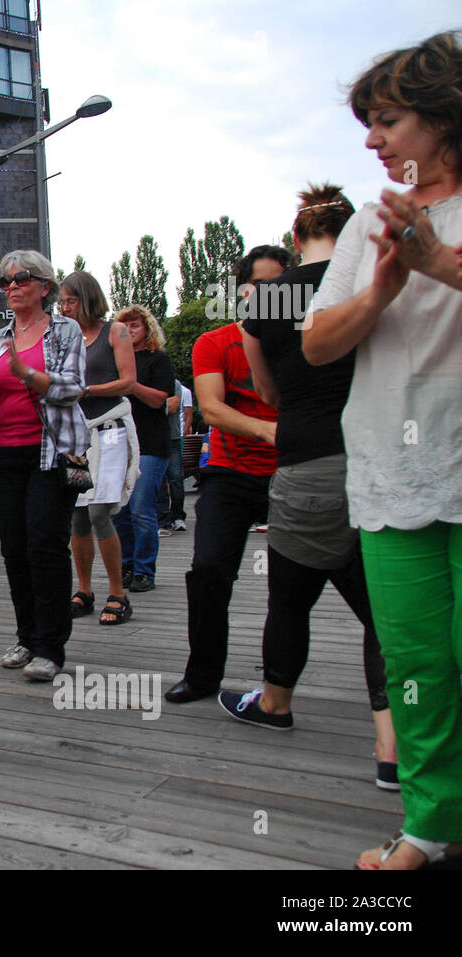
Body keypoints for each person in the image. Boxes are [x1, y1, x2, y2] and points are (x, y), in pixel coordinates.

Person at [303, 32, 462, 870]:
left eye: (388, 120)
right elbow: (321, 344)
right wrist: (385, 289)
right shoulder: (370, 223)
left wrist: (439, 261)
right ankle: (431, 826)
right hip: (395, 471)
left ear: (445, 116)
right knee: (419, 663)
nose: (372, 141)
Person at [227, 183, 397, 779]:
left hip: (303, 464)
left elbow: (269, 393)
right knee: (385, 615)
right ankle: (391, 750)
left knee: (289, 601)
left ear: (295, 240)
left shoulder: (265, 302)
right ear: (351, 235)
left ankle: (275, 703)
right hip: (377, 459)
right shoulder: (372, 284)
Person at [165, 249, 282, 704]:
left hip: (292, 474)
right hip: (231, 472)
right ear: (243, 291)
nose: (274, 294)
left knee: (297, 581)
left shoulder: (309, 341)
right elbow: (211, 408)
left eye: (283, 285)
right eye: (263, 285)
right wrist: (273, 431)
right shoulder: (215, 341)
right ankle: (203, 674)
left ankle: (277, 684)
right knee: (210, 569)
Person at [0, 250, 87, 682]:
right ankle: (26, 635)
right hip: (4, 453)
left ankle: (50, 647)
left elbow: (73, 388)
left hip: (50, 453)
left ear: (45, 287)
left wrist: (28, 374)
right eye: (6, 281)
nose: (12, 286)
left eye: (22, 279)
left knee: (45, 545)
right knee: (13, 548)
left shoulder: (65, 330)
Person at [59, 271, 136, 624]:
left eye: (70, 301)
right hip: (77, 438)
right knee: (77, 513)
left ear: (87, 299)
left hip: (109, 432)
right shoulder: (65, 338)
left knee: (99, 512)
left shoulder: (115, 332)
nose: (64, 307)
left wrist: (87, 390)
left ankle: (118, 592)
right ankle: (85, 589)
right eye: (62, 302)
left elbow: (128, 381)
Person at [111, 305, 176, 593]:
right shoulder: (113, 360)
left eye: (135, 325)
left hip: (150, 442)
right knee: (119, 510)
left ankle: (144, 569)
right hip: (119, 442)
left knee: (140, 508)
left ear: (147, 328)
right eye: (125, 326)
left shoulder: (158, 360)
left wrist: (130, 384)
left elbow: (159, 400)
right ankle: (126, 564)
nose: (130, 330)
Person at [158, 378, 194, 533]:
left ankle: (178, 516)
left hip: (172, 437)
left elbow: (173, 407)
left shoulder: (175, 384)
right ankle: (163, 519)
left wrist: (148, 405)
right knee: (159, 481)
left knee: (176, 478)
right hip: (154, 438)